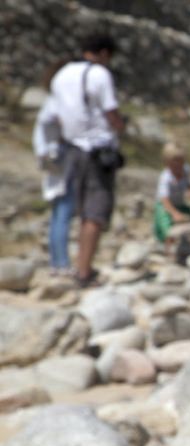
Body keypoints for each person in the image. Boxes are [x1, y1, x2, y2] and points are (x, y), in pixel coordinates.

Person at [50, 32, 126, 288]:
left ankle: (70, 264)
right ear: (104, 53)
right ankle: (84, 271)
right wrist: (120, 127)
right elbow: (110, 111)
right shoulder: (99, 75)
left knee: (79, 208)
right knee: (95, 211)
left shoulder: (61, 75)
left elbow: (58, 115)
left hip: (71, 149)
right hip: (96, 148)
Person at [32, 63, 74, 275]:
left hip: (53, 161)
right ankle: (62, 263)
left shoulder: (51, 100)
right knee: (63, 212)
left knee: (58, 212)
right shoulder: (57, 101)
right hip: (61, 161)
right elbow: (54, 121)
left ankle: (56, 261)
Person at [153, 142, 190, 245]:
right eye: (175, 161)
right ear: (167, 162)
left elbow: (188, 184)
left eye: (181, 160)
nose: (178, 164)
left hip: (179, 203)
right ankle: (168, 247)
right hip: (165, 206)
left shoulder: (186, 170)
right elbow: (164, 199)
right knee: (167, 227)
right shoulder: (166, 177)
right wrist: (174, 213)